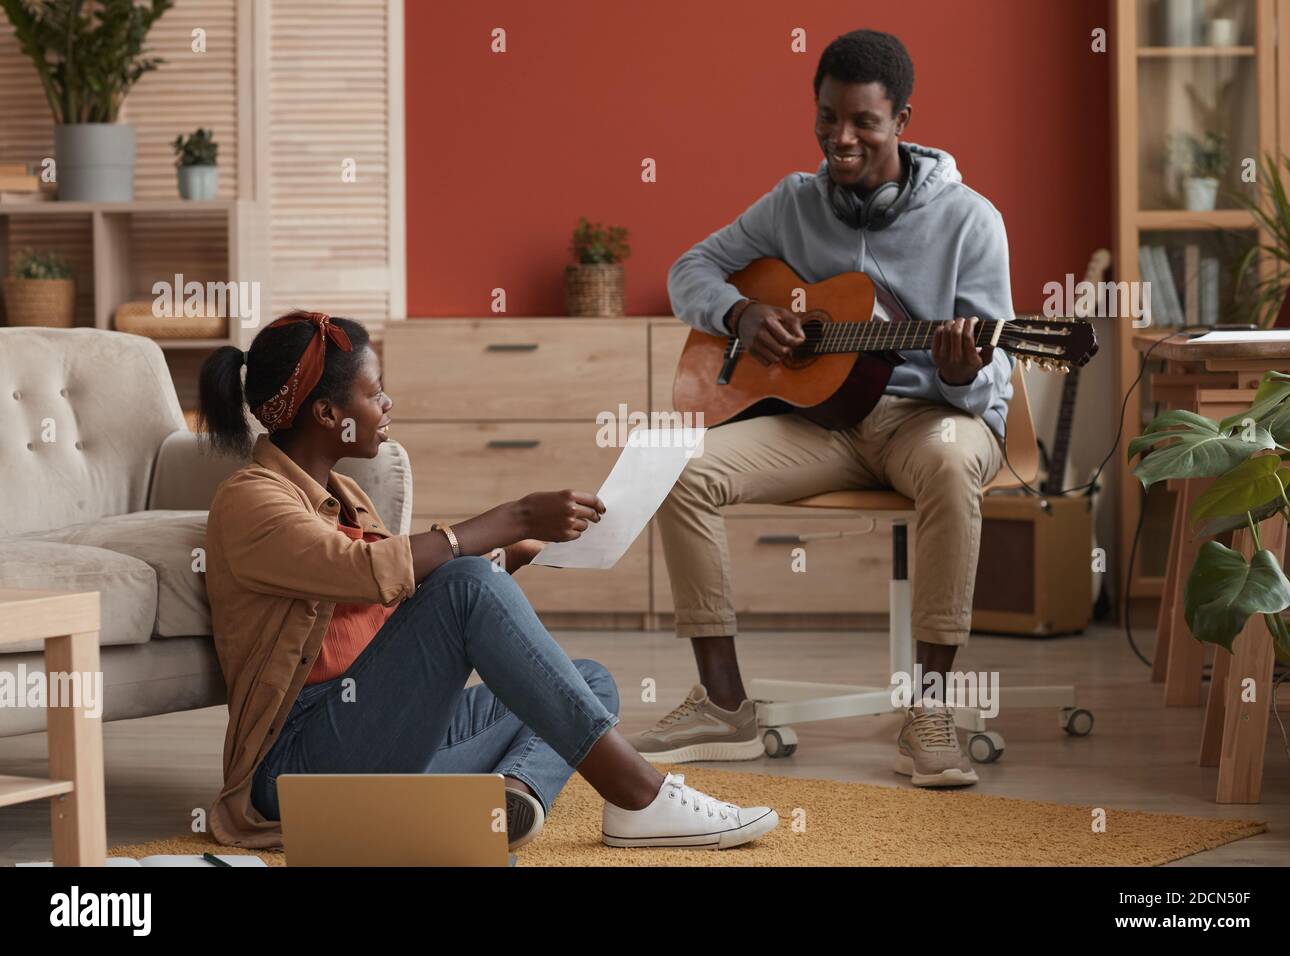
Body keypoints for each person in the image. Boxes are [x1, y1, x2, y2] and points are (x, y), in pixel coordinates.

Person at [197, 309, 778, 851]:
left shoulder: (347, 496)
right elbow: (364, 572)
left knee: (588, 682)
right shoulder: (250, 500)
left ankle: (513, 798)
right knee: (468, 584)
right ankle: (640, 797)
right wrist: (512, 518)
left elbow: (403, 616)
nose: (388, 404)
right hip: (300, 766)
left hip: (385, 733)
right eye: (375, 394)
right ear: (327, 415)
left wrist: (512, 554)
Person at [635, 29, 1013, 787]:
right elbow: (690, 269)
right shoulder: (793, 203)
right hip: (827, 422)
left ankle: (930, 710)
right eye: (827, 117)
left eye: (864, 122)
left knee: (947, 461)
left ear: (902, 119)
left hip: (930, 417)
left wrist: (961, 369)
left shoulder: (971, 220)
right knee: (677, 468)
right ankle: (724, 703)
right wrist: (740, 314)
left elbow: (991, 383)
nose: (842, 138)